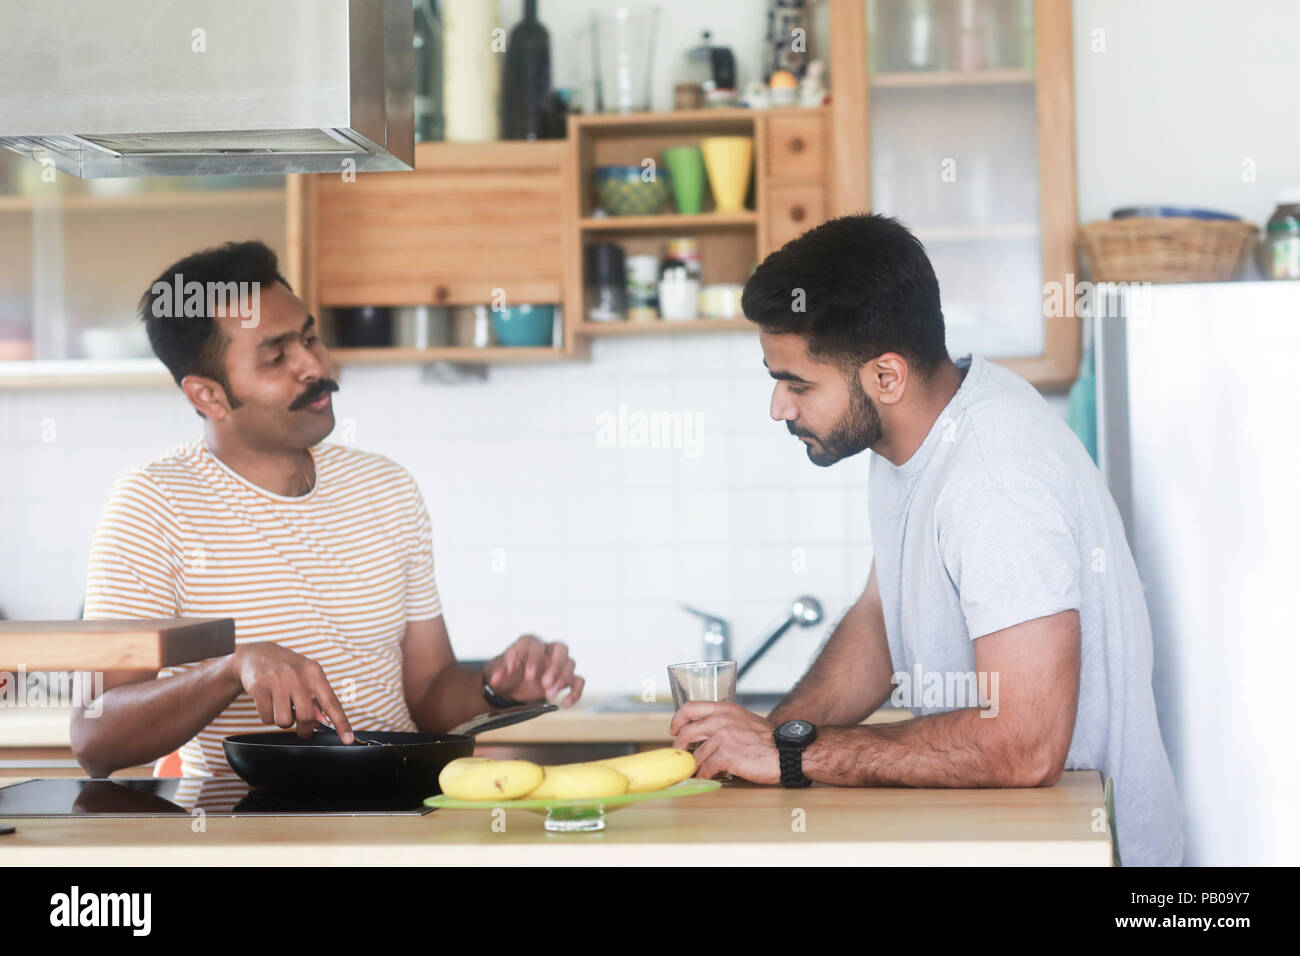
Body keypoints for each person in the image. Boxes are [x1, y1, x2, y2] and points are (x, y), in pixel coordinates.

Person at [669, 213, 1183, 867]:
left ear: (887, 376)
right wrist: (763, 740)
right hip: (1010, 837)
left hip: (1083, 852)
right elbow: (880, 624)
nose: (780, 408)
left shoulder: (996, 474)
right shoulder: (905, 447)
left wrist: (792, 754)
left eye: (797, 383)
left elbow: (1025, 742)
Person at [73, 240, 583, 779]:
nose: (315, 366)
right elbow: (95, 736)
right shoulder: (151, 507)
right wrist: (232, 669)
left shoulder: (386, 488)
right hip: (239, 845)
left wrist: (495, 689)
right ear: (208, 397)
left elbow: (430, 696)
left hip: (401, 832)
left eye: (310, 338)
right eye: (276, 357)